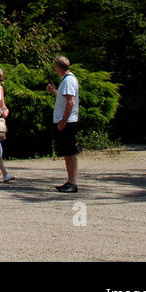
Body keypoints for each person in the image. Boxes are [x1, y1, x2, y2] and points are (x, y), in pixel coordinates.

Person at [45, 55, 80, 192]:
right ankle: (69, 181)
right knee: (66, 152)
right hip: (65, 121)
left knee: (70, 153)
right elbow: (64, 98)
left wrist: (63, 121)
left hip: (68, 122)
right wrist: (54, 91)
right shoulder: (65, 80)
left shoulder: (68, 80)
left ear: (59, 67)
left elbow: (71, 103)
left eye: (55, 66)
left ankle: (73, 183)